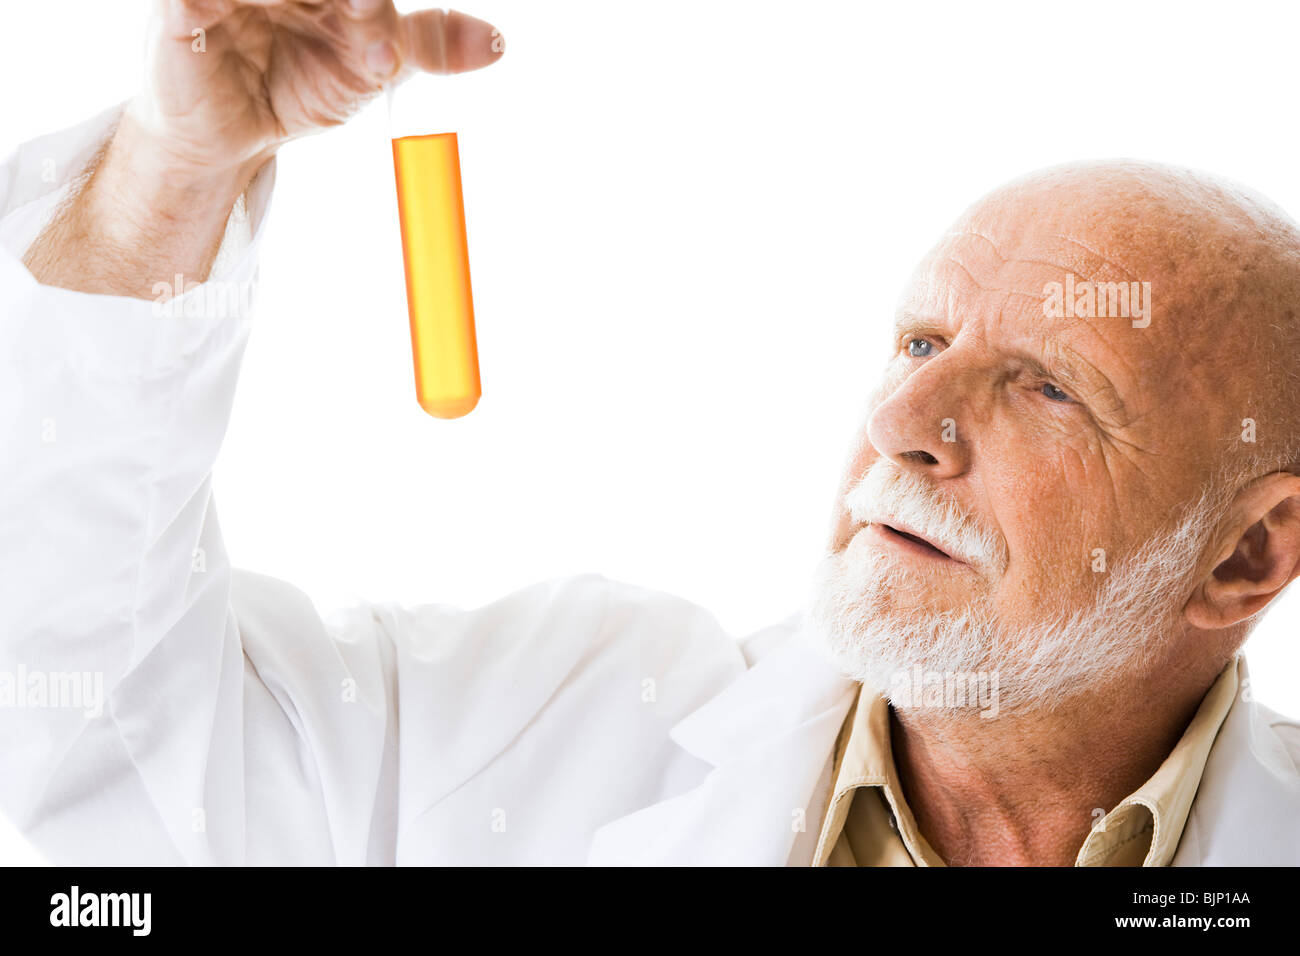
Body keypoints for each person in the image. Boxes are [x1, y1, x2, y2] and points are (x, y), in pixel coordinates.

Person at [2, 0, 1297, 866]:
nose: (901, 422)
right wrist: (173, 172)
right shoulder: (535, 728)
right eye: (918, 345)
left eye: (1049, 389)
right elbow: (94, 755)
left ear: (1247, 555)